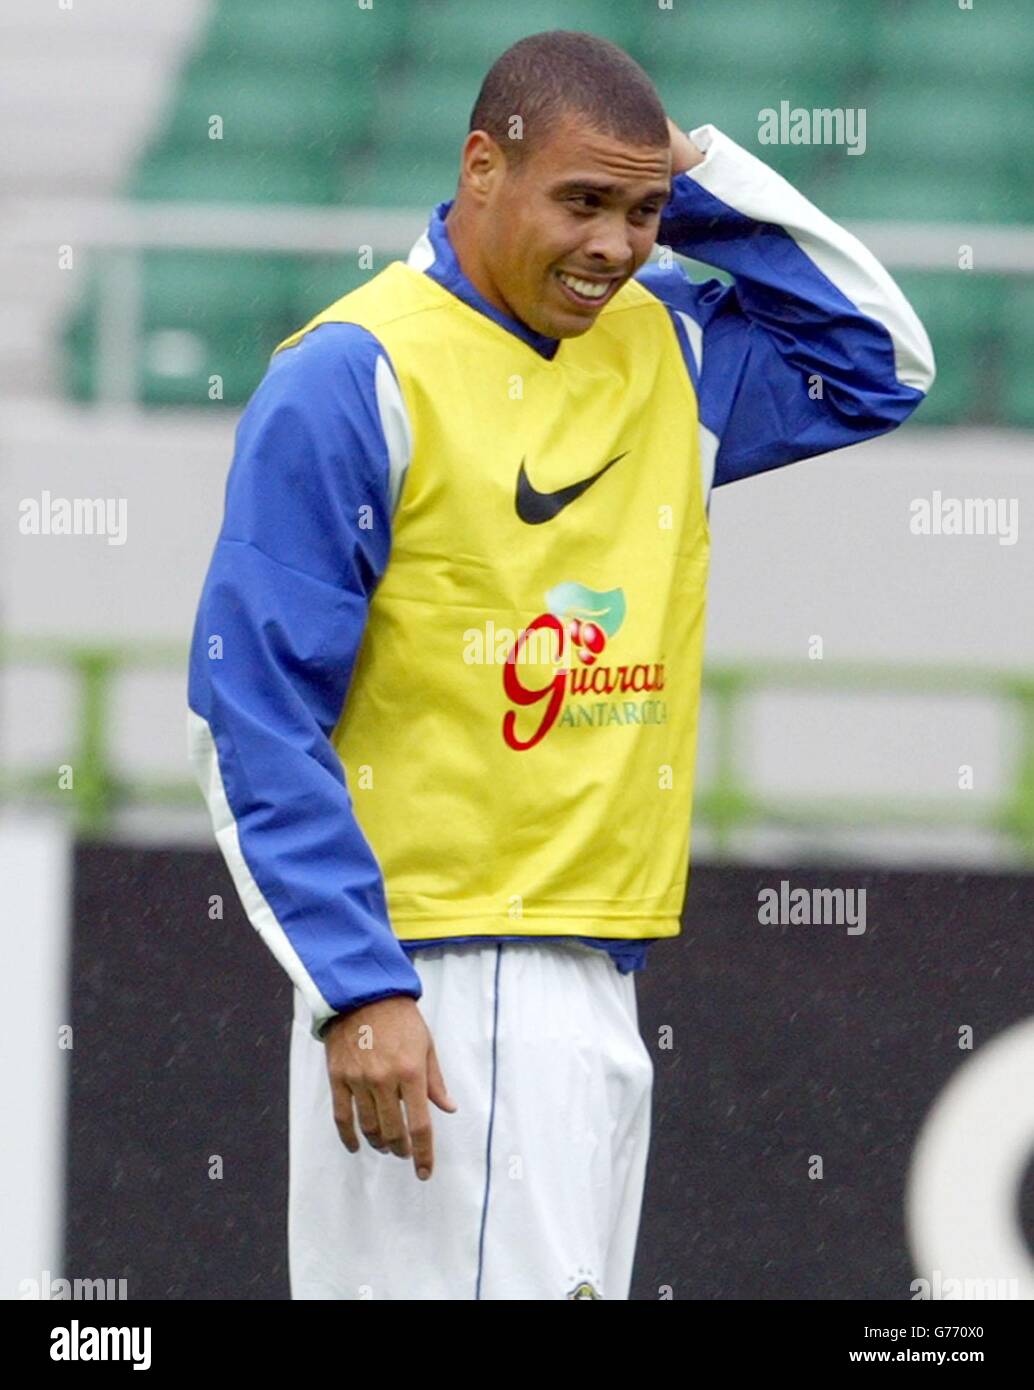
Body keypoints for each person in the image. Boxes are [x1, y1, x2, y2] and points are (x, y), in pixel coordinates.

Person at [187, 30, 934, 1300]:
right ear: (481, 166)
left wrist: (681, 174)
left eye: (643, 213)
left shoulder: (669, 349)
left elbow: (878, 361)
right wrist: (358, 988)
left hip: (592, 973)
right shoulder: (350, 374)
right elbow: (247, 706)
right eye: (581, 200)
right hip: (438, 980)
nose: (614, 244)